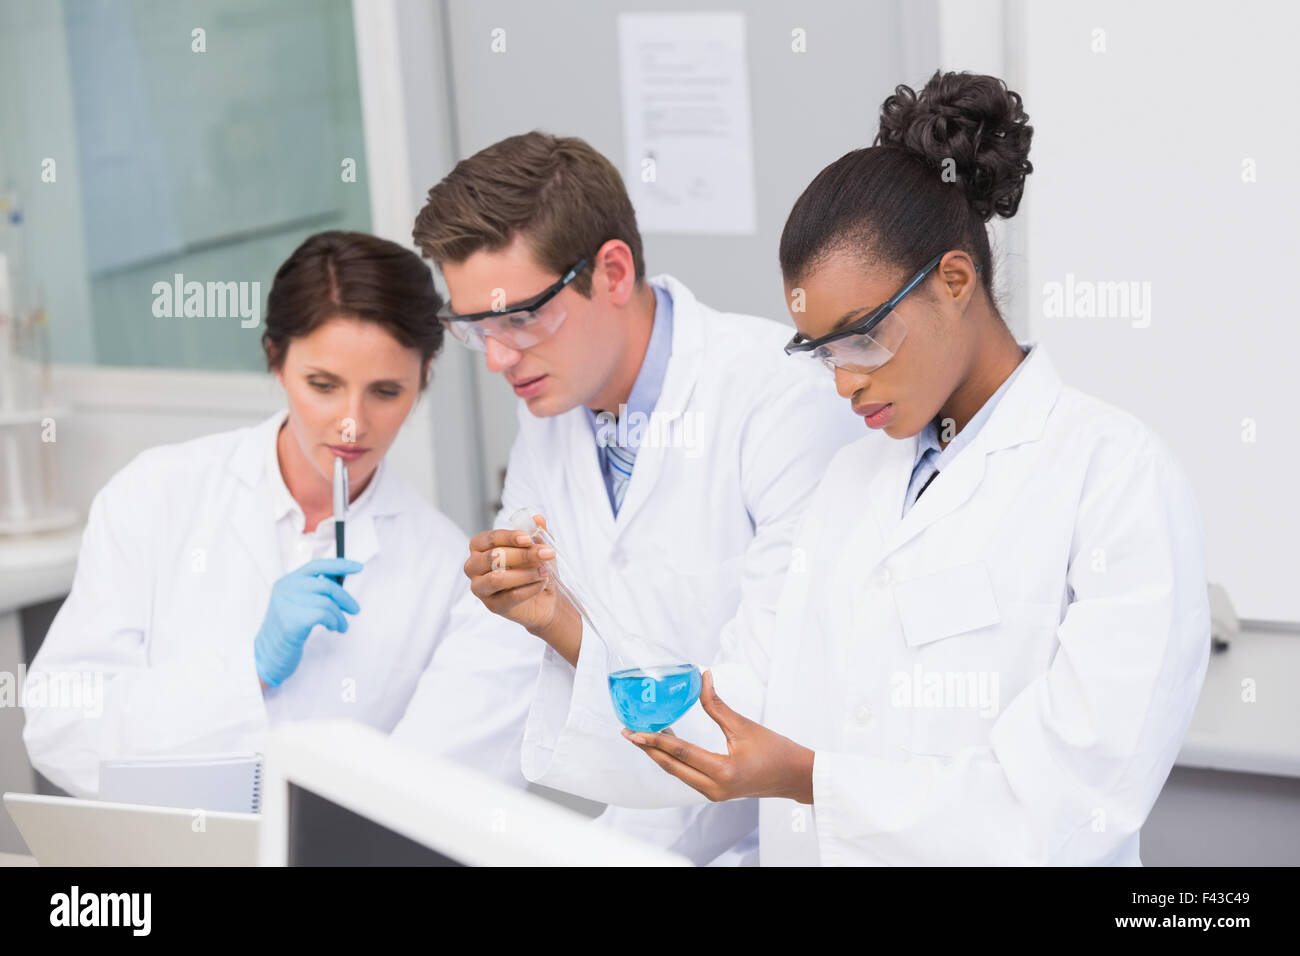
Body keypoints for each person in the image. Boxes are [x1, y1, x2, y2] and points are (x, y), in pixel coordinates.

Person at [511, 72, 1211, 865]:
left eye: (862, 338)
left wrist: (816, 781)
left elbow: (1074, 798)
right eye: (822, 352)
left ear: (954, 281)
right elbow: (736, 714)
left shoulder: (1115, 479)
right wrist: (556, 618)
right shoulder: (848, 483)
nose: (843, 381)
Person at [413, 132, 861, 864]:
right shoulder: (554, 419)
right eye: (473, 329)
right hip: (655, 830)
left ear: (612, 273)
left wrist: (563, 627)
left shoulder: (780, 403)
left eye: (519, 318)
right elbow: (493, 654)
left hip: (784, 839)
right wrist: (379, 809)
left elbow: (759, 707)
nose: (495, 358)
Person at [23, 230, 543, 797]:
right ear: (275, 360)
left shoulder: (445, 573)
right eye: (323, 385)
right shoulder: (155, 496)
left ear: (424, 378)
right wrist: (247, 671)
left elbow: (432, 799)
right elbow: (60, 730)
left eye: (385, 391)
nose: (352, 422)